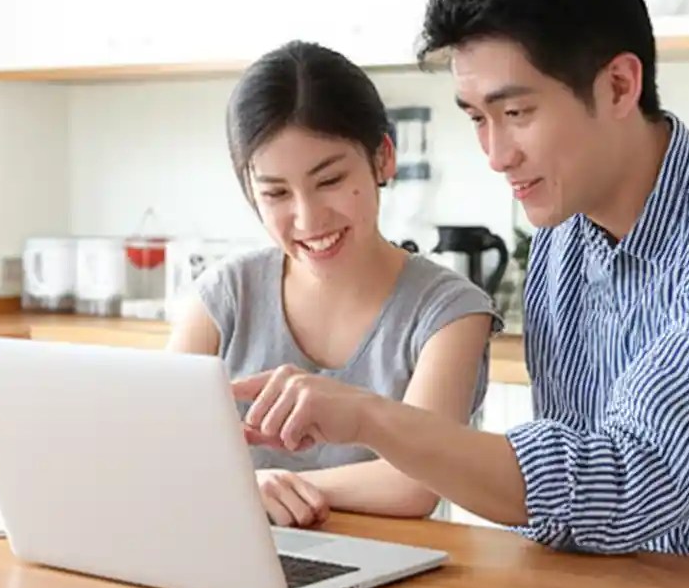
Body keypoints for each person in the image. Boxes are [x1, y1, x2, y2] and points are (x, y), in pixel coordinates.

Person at [234, 0, 689, 585]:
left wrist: (368, 417)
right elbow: (576, 494)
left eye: (517, 112)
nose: (496, 155)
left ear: (619, 86)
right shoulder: (563, 237)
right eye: (476, 117)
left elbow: (624, 486)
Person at [167, 40, 500, 528]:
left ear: (384, 157)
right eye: (276, 193)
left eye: (329, 180)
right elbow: (161, 450)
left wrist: (255, 487)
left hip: (408, 582)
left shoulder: (451, 313)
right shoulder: (223, 296)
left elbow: (414, 485)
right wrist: (246, 489)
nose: (307, 217)